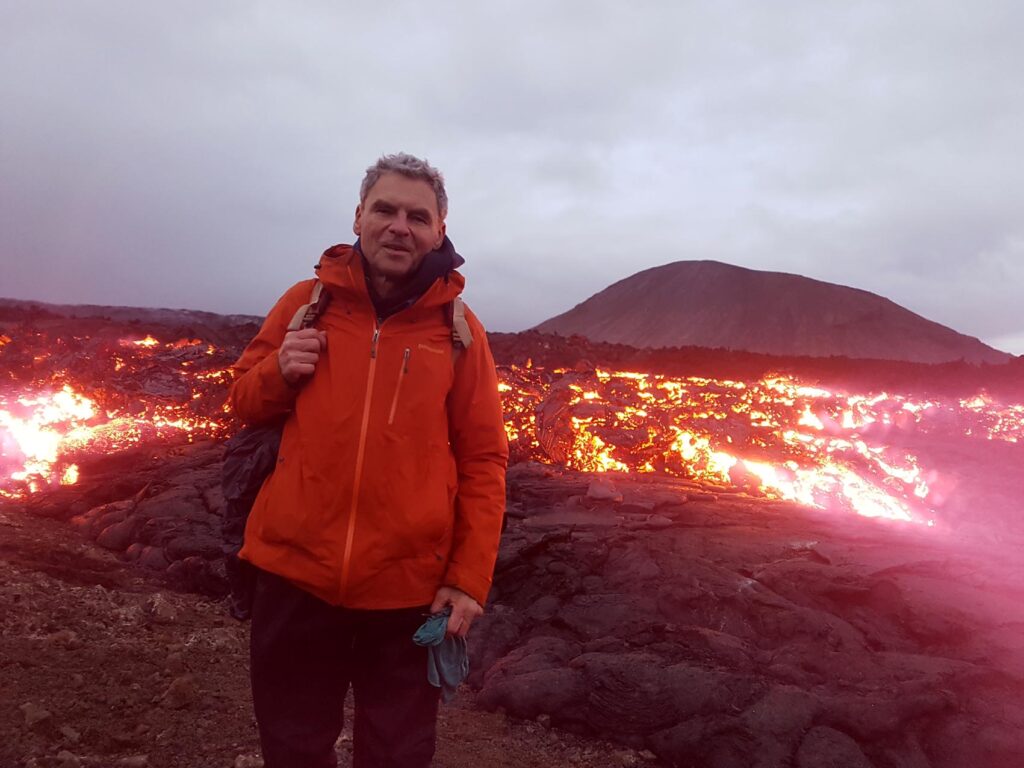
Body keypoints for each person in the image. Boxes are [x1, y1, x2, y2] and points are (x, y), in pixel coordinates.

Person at [228, 152, 508, 767]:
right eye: (384, 209)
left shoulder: (461, 331)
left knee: (397, 756)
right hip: (294, 577)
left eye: (417, 215)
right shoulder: (308, 302)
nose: (399, 226)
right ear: (358, 217)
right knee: (293, 749)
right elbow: (242, 400)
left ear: (439, 230)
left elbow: (484, 459)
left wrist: (467, 578)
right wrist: (278, 371)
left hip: (407, 595)